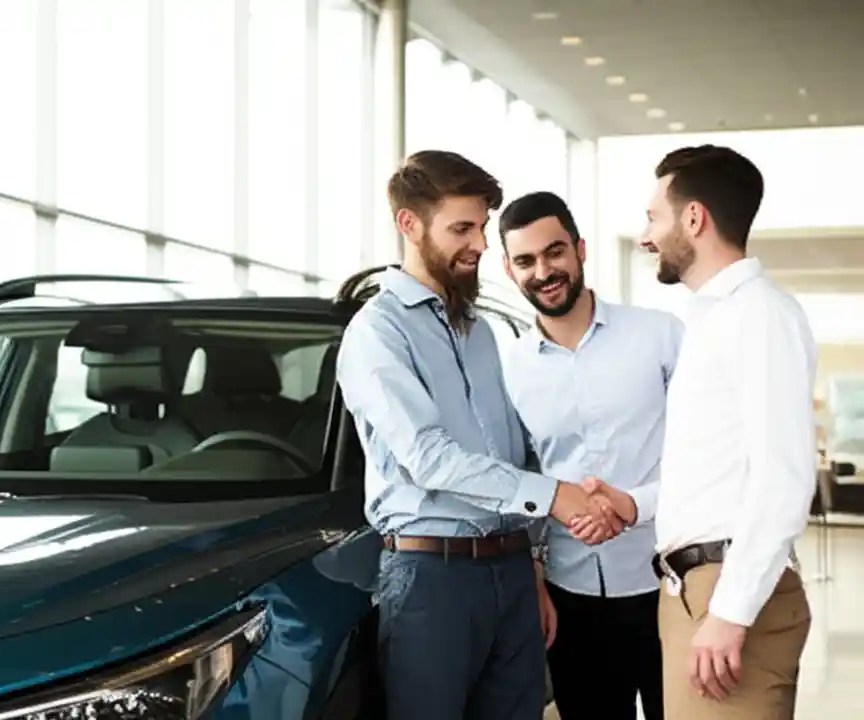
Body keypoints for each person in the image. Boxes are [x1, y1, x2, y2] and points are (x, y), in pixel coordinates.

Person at [334, 150, 621, 720]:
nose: (481, 245)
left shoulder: (481, 333)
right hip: (431, 582)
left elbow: (516, 452)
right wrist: (558, 497)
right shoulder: (378, 333)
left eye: (482, 227)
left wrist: (534, 565)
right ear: (409, 225)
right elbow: (430, 460)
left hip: (512, 575)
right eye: (462, 228)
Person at [643, 144, 816, 719]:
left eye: (654, 218)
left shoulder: (759, 313)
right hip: (696, 593)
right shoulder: (715, 319)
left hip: (727, 594)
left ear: (694, 218)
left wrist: (731, 611)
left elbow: (784, 478)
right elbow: (715, 474)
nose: (647, 237)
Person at [498, 190, 683, 720]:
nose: (544, 271)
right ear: (510, 272)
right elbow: (516, 477)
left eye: (554, 252)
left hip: (670, 584)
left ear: (580, 249)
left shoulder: (661, 336)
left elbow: (708, 457)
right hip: (570, 594)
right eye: (526, 261)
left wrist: (633, 503)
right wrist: (533, 576)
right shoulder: (508, 369)